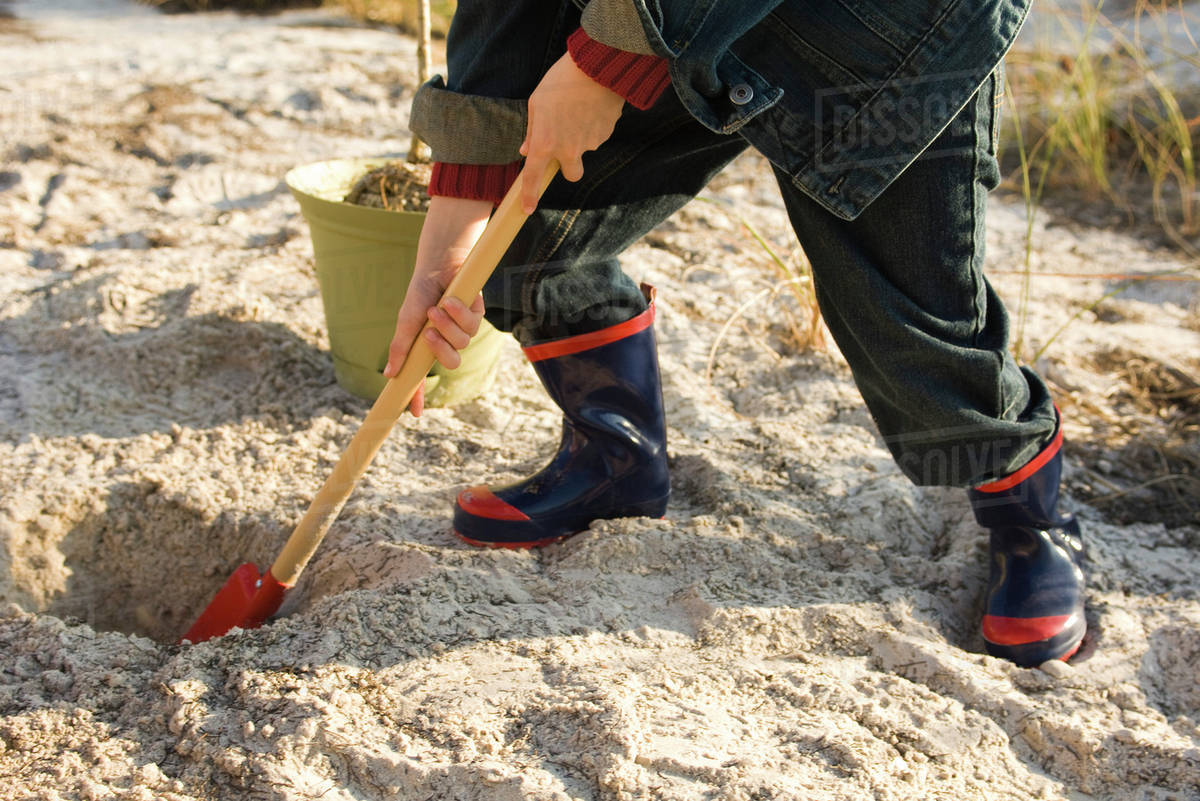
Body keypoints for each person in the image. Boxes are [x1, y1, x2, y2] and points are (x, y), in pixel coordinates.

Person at [381, 0, 1086, 668]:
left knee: (914, 329)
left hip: (881, 34)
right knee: (522, 232)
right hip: (663, 26)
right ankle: (615, 460)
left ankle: (1028, 514)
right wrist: (455, 224)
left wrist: (604, 62)